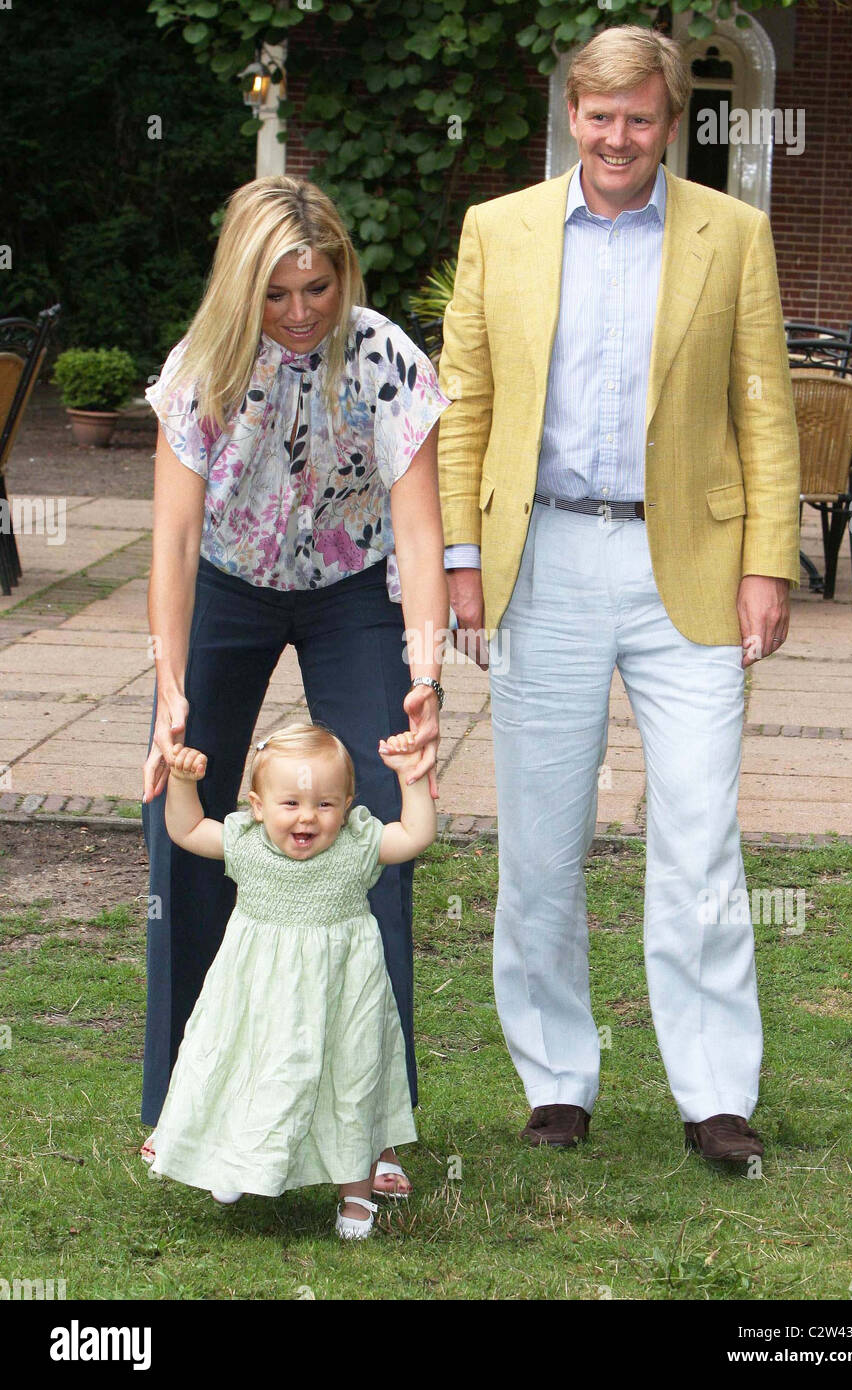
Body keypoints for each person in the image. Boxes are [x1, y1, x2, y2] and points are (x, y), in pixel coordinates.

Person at [437, 26, 800, 1160]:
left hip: (687, 563)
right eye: (600, 117)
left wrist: (768, 562)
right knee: (540, 843)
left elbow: (767, 414)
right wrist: (458, 555)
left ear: (667, 120)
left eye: (639, 118)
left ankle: (715, 1095)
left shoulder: (732, 234)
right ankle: (558, 1081)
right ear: (572, 115)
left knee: (700, 837)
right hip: (541, 560)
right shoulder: (499, 231)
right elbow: (465, 408)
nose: (618, 138)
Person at [140, 176, 450, 1199]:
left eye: (318, 286)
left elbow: (415, 524)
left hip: (350, 584)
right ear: (243, 285)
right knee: (184, 811)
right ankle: (182, 1105)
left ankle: (370, 1123)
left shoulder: (384, 359)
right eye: (278, 293)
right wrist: (171, 681)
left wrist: (424, 663)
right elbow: (176, 538)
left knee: (374, 832)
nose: (303, 312)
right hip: (227, 585)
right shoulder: (201, 368)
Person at [148, 724, 436, 1240]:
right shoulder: (247, 845)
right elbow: (187, 831)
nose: (307, 816)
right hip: (258, 994)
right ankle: (234, 1159)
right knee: (249, 1067)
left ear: (347, 806)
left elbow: (414, 836)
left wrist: (411, 780)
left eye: (325, 804)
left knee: (350, 1079)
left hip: (343, 996)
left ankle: (356, 1194)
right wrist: (182, 783)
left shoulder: (357, 846)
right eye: (291, 803)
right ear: (257, 806)